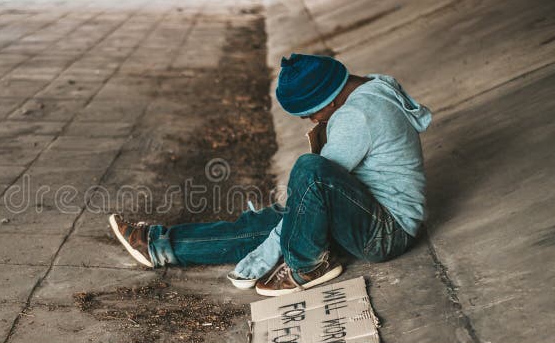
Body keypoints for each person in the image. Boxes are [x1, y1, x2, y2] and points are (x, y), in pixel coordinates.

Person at [110, 53, 432, 297]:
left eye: (311, 113)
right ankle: (159, 246)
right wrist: (282, 231)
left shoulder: (356, 117)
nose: (312, 121)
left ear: (330, 98)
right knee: (264, 224)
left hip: (386, 232)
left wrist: (267, 255)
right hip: (364, 212)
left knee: (309, 169)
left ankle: (307, 267)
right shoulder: (370, 87)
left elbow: (316, 181)